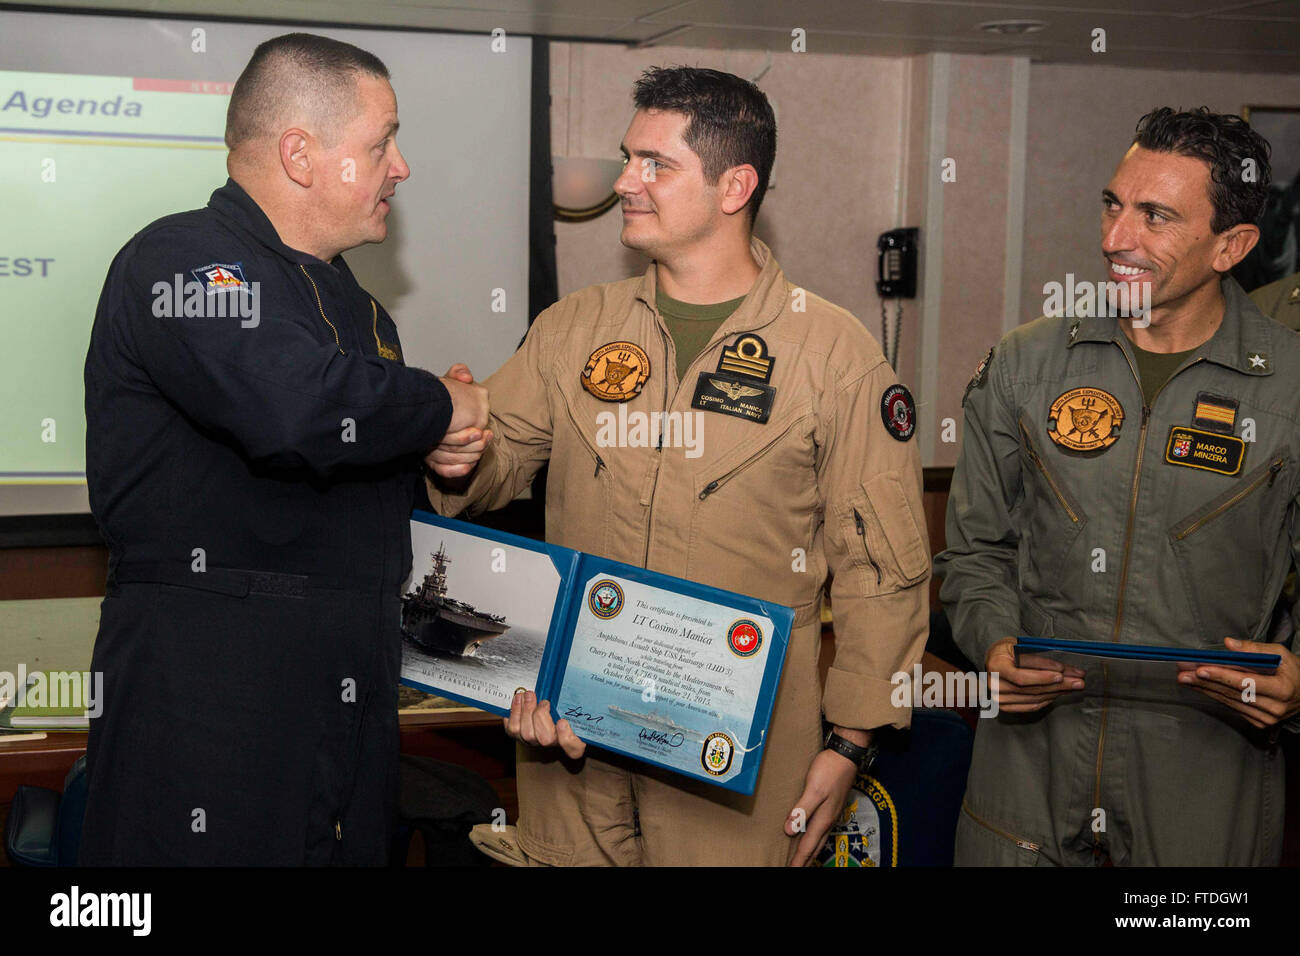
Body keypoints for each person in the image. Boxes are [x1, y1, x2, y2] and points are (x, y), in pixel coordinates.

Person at [427, 66, 930, 866]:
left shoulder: (834, 357)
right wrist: (452, 443)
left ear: (735, 185)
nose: (625, 181)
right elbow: (491, 468)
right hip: (568, 741)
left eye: (654, 164)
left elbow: (882, 570)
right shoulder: (575, 328)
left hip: (737, 764)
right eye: (629, 157)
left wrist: (851, 743)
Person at [80, 33, 487, 865]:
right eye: (382, 143)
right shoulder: (185, 258)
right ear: (300, 154)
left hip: (350, 709)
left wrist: (435, 455)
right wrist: (442, 403)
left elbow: (356, 462)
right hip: (211, 712)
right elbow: (294, 405)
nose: (401, 167)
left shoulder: (365, 312)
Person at [936, 107, 1300, 866]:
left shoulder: (1289, 388)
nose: (1113, 240)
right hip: (1027, 779)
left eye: (1155, 216)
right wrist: (994, 642)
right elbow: (973, 555)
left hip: (1201, 785)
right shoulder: (1026, 364)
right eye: (1113, 204)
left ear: (1231, 245)